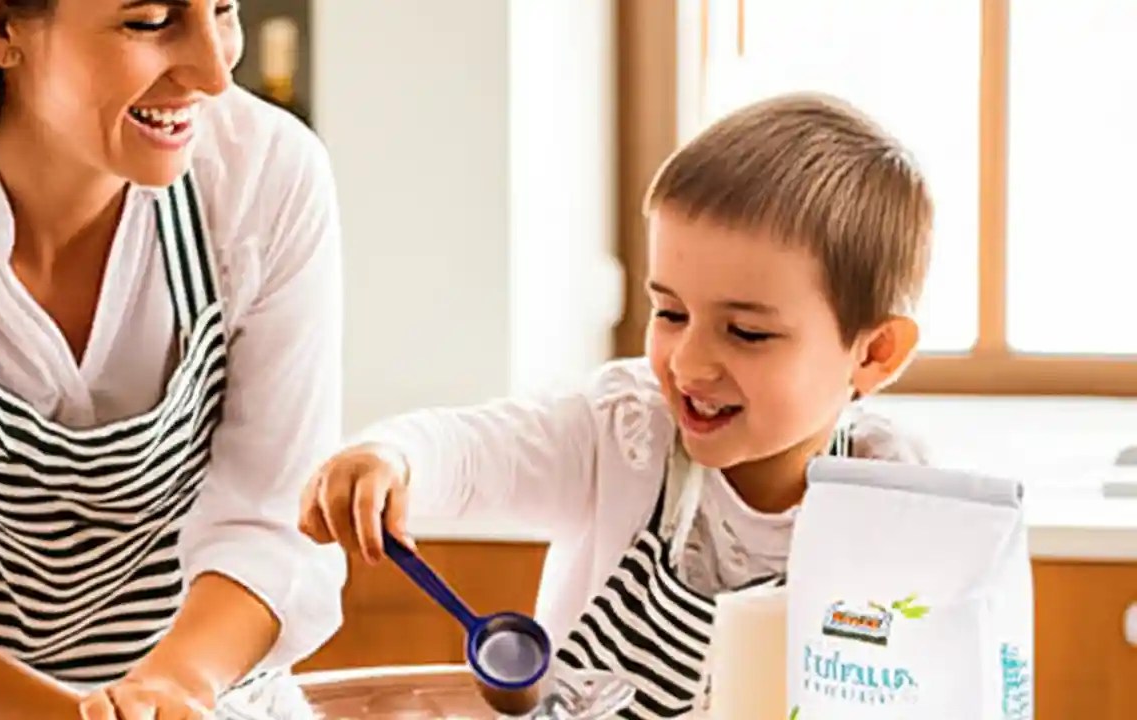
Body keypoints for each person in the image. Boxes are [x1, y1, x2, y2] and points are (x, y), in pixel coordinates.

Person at [300, 93, 933, 719]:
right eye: (671, 313)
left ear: (873, 353)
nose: (688, 363)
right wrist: (394, 459)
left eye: (745, 333)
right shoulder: (626, 430)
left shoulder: (898, 504)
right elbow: (477, 451)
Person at [0, 0, 345, 717]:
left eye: (224, 10)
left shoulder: (266, 175)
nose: (213, 74)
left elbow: (270, 527)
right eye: (149, 22)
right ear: (0, 29)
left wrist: (172, 688)